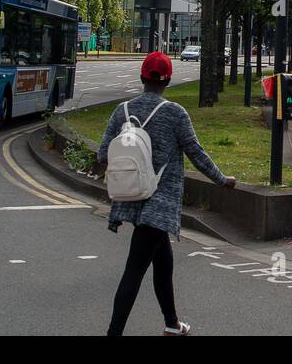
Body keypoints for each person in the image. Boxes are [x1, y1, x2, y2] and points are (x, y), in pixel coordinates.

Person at [97, 51, 236, 336]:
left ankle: (172, 324)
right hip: (159, 203)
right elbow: (196, 153)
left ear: (141, 77)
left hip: (132, 199)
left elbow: (102, 154)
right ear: (168, 80)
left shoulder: (122, 111)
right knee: (133, 272)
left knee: (163, 262)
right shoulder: (174, 113)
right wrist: (221, 179)